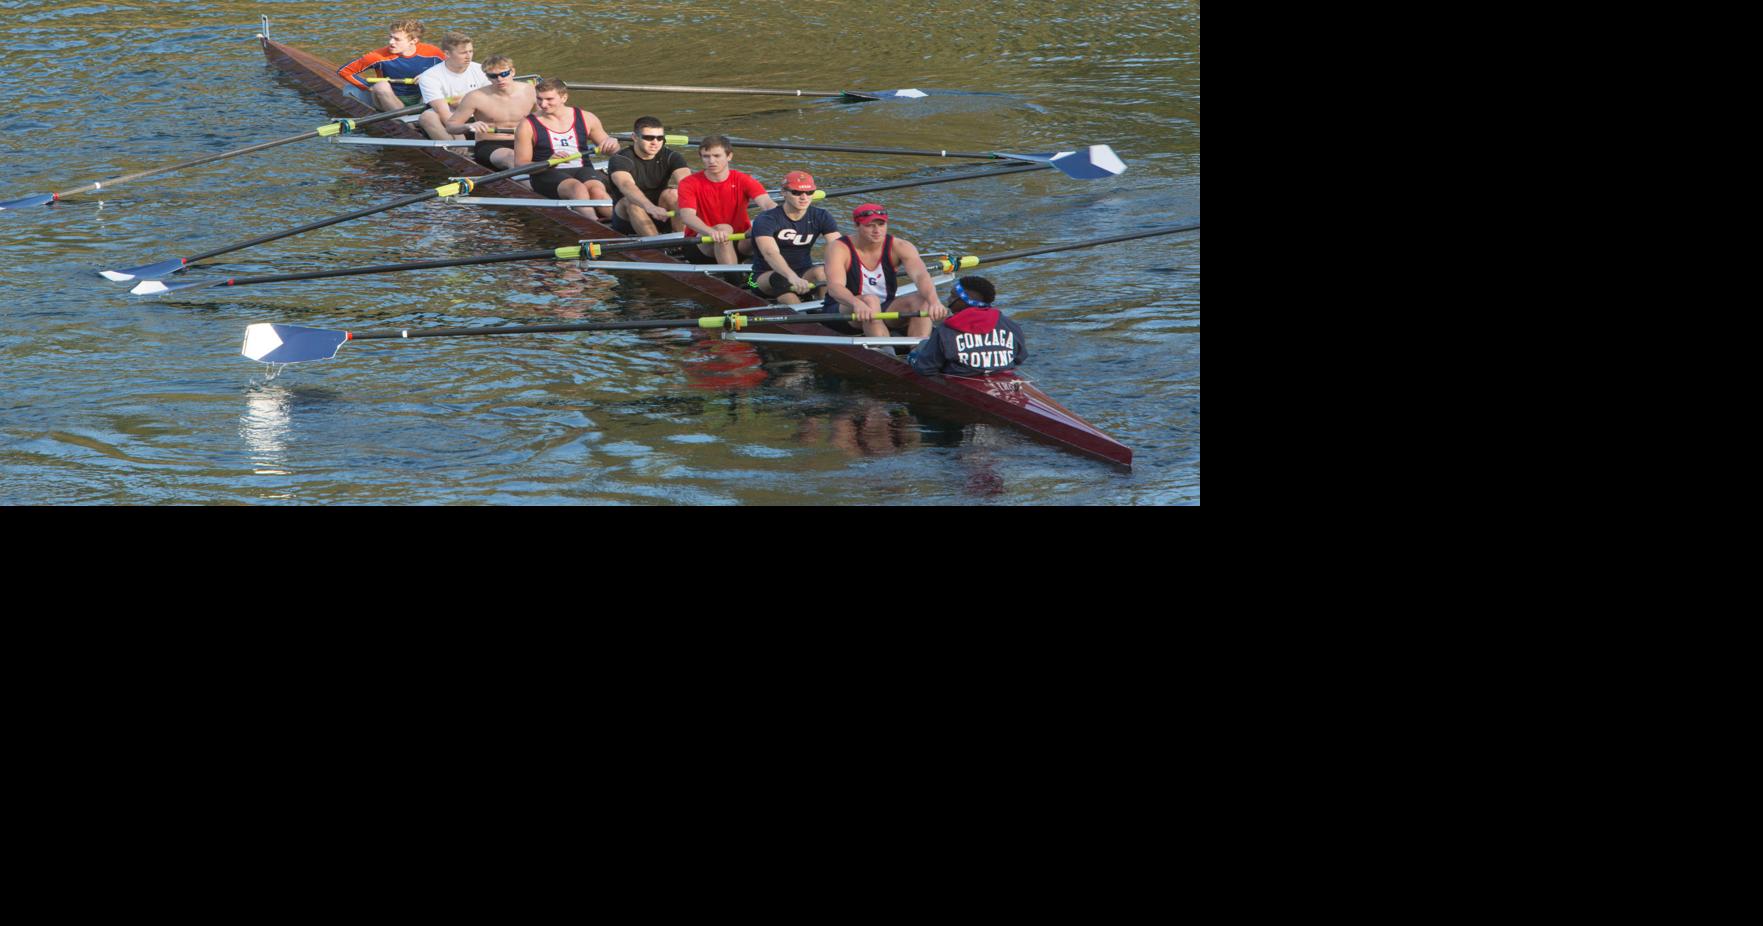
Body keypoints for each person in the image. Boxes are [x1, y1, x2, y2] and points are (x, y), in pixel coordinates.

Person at [819, 203, 947, 339]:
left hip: (885, 308)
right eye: (869, 225)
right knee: (870, 301)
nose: (877, 230)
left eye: (881, 224)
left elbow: (921, 276)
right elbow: (835, 287)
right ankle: (886, 353)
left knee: (922, 301)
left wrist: (934, 301)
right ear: (856, 226)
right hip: (845, 310)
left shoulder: (901, 246)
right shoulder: (839, 248)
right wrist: (857, 304)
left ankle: (919, 351)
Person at [510, 78, 620, 219]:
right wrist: (550, 162)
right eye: (539, 99)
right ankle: (595, 225)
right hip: (546, 173)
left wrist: (612, 143)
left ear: (564, 97)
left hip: (583, 169)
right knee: (577, 188)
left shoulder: (587, 117)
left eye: (549, 99)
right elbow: (520, 164)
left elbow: (614, 151)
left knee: (597, 191)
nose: (543, 104)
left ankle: (619, 224)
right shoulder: (527, 125)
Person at [676, 135, 775, 266]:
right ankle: (733, 281)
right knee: (724, 229)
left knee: (762, 223)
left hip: (740, 242)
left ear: (729, 156)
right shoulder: (689, 183)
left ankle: (783, 270)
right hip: (702, 244)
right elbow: (687, 217)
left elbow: (767, 203)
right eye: (706, 156)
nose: (711, 161)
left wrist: (780, 216)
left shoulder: (743, 179)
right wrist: (711, 232)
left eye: (717, 156)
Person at [748, 171, 840, 304]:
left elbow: (838, 247)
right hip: (763, 278)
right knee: (781, 279)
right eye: (796, 193)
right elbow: (770, 252)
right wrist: (791, 276)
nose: (804, 197)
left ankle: (825, 307)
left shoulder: (821, 216)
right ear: (783, 192)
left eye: (809, 192)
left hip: (803, 273)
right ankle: (805, 320)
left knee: (823, 272)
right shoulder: (767, 219)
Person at [906, 277, 1026, 377]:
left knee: (920, 347)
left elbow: (925, 369)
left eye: (952, 296)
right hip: (999, 375)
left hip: (961, 379)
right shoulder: (1010, 325)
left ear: (964, 301)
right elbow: (1020, 357)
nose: (948, 299)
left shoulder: (947, 329)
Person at [444, 55, 533, 170]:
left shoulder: (530, 91)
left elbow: (549, 118)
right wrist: (468, 126)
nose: (500, 79)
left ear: (513, 72)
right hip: (491, 143)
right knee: (512, 158)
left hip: (525, 140)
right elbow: (451, 126)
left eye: (504, 74)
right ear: (487, 77)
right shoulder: (475, 97)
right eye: (493, 76)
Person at [606, 117, 691, 236]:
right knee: (631, 202)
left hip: (662, 214)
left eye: (660, 138)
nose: (655, 142)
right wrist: (649, 207)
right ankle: (658, 248)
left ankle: (682, 239)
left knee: (673, 194)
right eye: (649, 138)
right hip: (628, 219)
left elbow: (687, 182)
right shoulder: (620, 159)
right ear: (635, 137)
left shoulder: (672, 156)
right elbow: (626, 185)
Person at [337, 19, 444, 111]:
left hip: (422, 98)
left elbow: (454, 69)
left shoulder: (433, 53)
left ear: (413, 41)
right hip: (390, 100)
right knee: (381, 86)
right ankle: (406, 123)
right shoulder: (378, 56)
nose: (391, 42)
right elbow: (344, 71)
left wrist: (430, 76)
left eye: (397, 39)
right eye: (391, 37)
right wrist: (368, 88)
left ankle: (423, 119)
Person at [414, 32, 486, 140]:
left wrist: (466, 104)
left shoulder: (482, 70)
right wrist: (460, 140)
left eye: (470, 51)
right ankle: (455, 149)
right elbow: (443, 112)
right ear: (447, 54)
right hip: (450, 121)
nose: (468, 56)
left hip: (478, 117)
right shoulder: (429, 76)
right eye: (463, 53)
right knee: (428, 116)